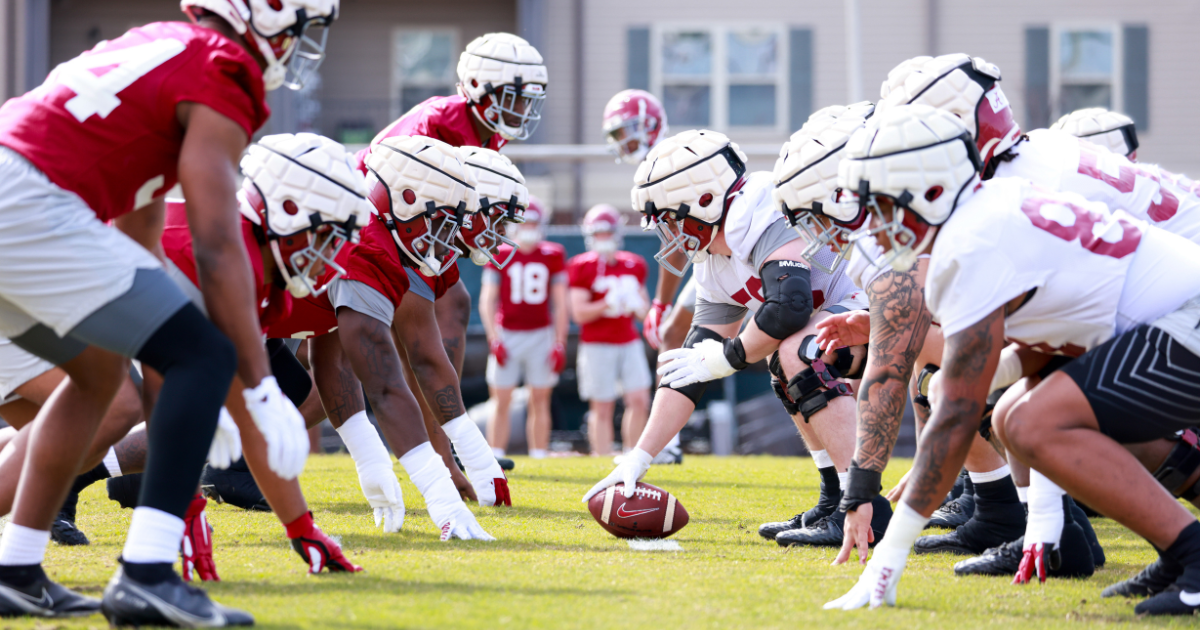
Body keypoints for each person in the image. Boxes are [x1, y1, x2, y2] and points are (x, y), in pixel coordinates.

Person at [0, 0, 336, 623]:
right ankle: (147, 574)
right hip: (31, 206)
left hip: (17, 198)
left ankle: (15, 567)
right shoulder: (224, 66)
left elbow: (138, 233)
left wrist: (179, 369)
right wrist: (258, 385)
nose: (298, 44)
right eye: (300, 26)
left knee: (100, 375)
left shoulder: (161, 43)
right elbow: (215, 239)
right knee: (205, 352)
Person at [825, 104, 1200, 617]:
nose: (874, 222)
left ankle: (1192, 553)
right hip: (1175, 317)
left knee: (1031, 422)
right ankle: (1180, 551)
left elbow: (957, 414)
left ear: (932, 192)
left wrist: (887, 561)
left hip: (1186, 317)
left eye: (883, 202)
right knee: (1011, 415)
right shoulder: (990, 207)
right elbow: (1060, 331)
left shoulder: (970, 243)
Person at [582, 130, 889, 546]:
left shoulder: (763, 208)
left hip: (884, 313)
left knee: (797, 351)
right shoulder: (713, 258)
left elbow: (790, 304)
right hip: (841, 324)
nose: (668, 232)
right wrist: (640, 457)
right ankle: (834, 496)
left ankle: (865, 503)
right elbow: (688, 366)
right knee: (786, 361)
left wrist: (727, 358)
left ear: (705, 200)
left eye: (671, 216)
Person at [354, 32, 549, 476]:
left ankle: (444, 443)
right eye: (514, 97)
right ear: (479, 85)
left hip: (403, 232)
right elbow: (402, 193)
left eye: (527, 100)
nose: (522, 110)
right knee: (359, 356)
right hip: (378, 230)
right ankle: (442, 450)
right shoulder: (440, 123)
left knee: (438, 317)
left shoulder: (484, 129)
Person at [480, 196, 568, 459]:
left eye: (533, 222)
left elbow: (561, 304)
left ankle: (539, 454)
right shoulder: (501, 252)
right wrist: (493, 338)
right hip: (507, 332)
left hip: (541, 333)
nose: (529, 227)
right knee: (501, 400)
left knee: (540, 399)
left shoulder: (553, 254)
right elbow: (487, 300)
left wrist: (559, 341)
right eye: (525, 222)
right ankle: (495, 454)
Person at [567, 205, 652, 456]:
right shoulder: (581, 265)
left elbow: (644, 312)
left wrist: (637, 304)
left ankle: (632, 455)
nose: (603, 239)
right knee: (602, 406)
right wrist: (608, 303)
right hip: (597, 344)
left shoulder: (633, 264)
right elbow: (579, 313)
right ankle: (602, 458)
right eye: (598, 233)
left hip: (628, 340)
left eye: (607, 233)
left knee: (639, 400)